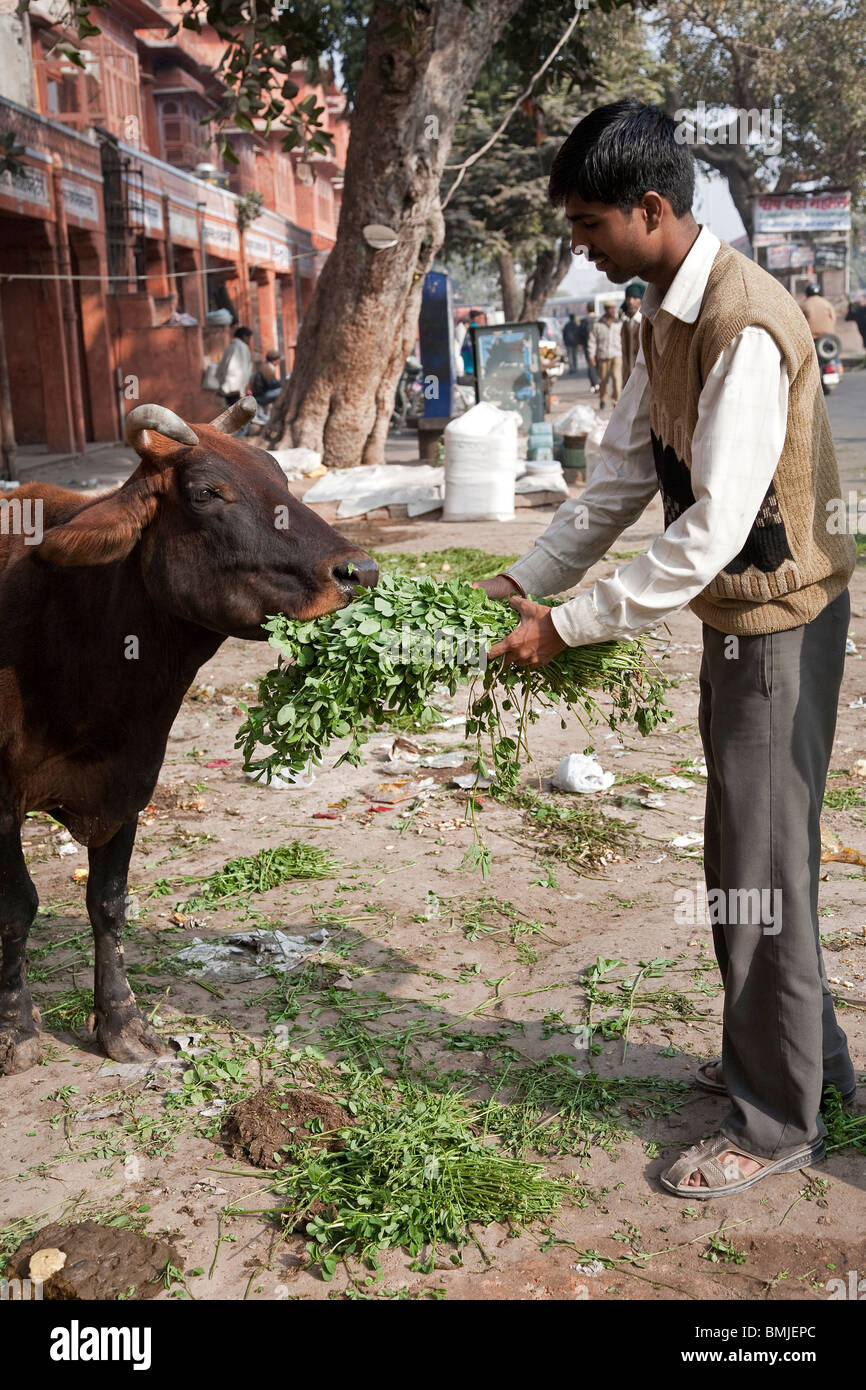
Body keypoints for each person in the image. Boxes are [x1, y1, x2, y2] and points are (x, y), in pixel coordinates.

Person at [476, 98, 856, 1200]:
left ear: (651, 208)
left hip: (776, 625)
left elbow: (707, 532)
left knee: (760, 876)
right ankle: (803, 1063)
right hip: (739, 626)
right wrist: (526, 576)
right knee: (742, 861)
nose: (582, 250)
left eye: (591, 225)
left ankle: (777, 1118)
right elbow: (621, 478)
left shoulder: (742, 320)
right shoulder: (661, 313)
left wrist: (568, 624)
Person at [588, 299, 622, 409]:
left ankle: (616, 401)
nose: (612, 311)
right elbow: (592, 340)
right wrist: (591, 355)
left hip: (617, 354)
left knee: (617, 379)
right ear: (605, 310)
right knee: (603, 380)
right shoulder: (598, 324)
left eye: (613, 308)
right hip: (603, 356)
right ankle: (602, 399)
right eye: (609, 309)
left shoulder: (619, 323)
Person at [215, 326, 253, 405]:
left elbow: (221, 367)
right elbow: (243, 370)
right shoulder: (243, 347)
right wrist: (243, 388)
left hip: (227, 385)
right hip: (236, 387)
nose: (249, 341)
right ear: (244, 336)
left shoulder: (229, 347)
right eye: (249, 338)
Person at [620, 281, 644, 385]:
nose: (630, 301)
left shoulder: (646, 322)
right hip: (629, 375)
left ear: (641, 300)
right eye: (628, 298)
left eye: (635, 298)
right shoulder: (625, 323)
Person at [577, 301, 598, 391]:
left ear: (587, 309)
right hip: (598, 346)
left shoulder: (584, 321)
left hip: (587, 346)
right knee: (598, 365)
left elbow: (580, 334)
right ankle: (598, 382)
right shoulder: (598, 319)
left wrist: (580, 344)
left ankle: (594, 384)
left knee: (590, 365)